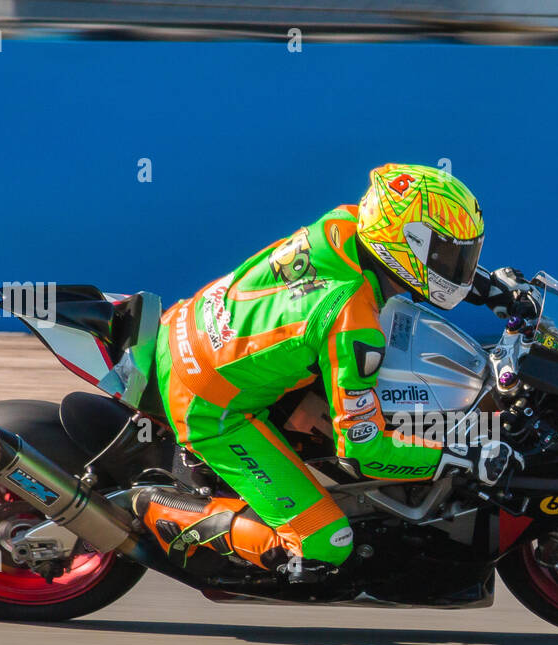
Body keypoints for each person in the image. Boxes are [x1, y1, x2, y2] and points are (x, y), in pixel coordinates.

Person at [134, 163, 533, 582]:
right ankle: (160, 509)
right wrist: (462, 457)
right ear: (407, 244)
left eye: (464, 257)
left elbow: (412, 266)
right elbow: (362, 448)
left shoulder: (347, 223)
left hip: (188, 323)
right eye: (450, 256)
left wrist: (489, 290)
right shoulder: (352, 321)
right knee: (325, 545)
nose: (460, 268)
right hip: (207, 402)